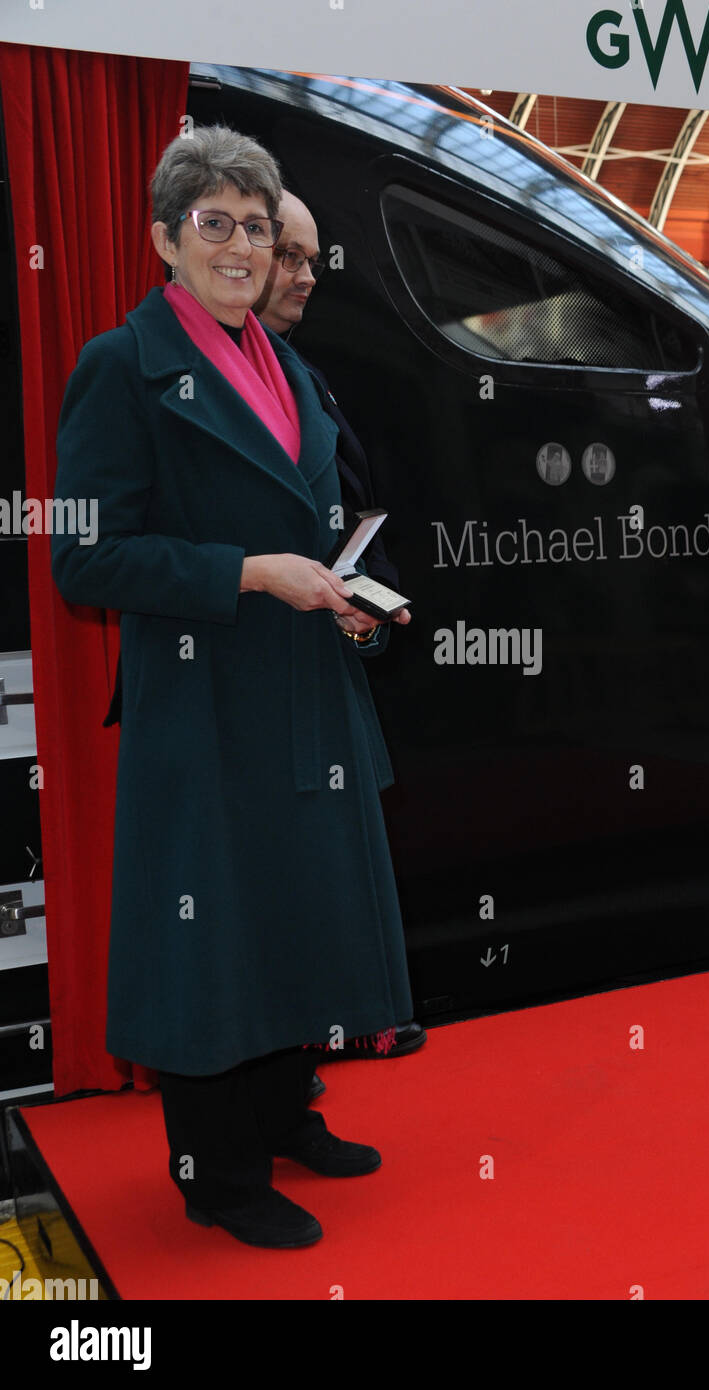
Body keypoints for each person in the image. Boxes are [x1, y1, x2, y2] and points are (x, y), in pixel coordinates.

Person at [51, 126, 414, 1250]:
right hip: (205, 699)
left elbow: (308, 510)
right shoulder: (124, 363)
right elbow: (84, 557)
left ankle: (284, 1114)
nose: (243, 245)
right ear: (166, 238)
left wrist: (347, 585)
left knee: (298, 913)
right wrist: (249, 574)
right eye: (215, 223)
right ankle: (217, 1174)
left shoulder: (280, 359)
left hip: (303, 685)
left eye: (257, 226)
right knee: (211, 933)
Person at [253, 190, 427, 1102]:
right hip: (246, 695)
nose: (307, 275)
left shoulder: (302, 376)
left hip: (319, 685)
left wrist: (365, 601)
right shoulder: (182, 376)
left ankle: (302, 1088)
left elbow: (355, 513)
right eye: (288, 254)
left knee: (320, 897)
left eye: (311, 257)